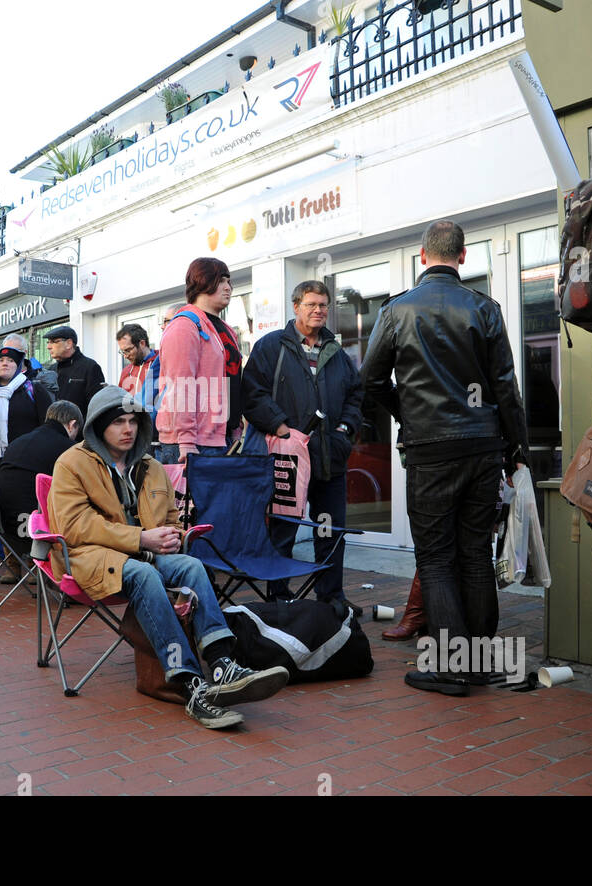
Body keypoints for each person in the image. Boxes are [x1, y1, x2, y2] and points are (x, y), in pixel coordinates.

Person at [49, 386, 289, 728]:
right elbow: (74, 526)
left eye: (134, 421)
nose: (128, 429)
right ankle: (190, 683)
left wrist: (172, 536)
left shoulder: (151, 466)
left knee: (190, 565)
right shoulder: (71, 464)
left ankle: (221, 664)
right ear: (98, 426)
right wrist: (141, 537)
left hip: (146, 552)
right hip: (91, 557)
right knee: (144, 576)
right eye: (118, 422)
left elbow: (171, 518)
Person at [361, 220, 529, 697]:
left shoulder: (396, 311)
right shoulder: (485, 308)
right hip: (482, 446)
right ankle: (477, 660)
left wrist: (409, 414)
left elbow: (371, 383)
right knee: (474, 552)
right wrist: (517, 451)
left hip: (429, 449)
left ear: (422, 256)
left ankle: (451, 667)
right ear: (463, 256)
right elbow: (506, 389)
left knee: (436, 557)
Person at [242, 280, 364, 613]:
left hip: (329, 458)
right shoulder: (271, 346)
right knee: (283, 532)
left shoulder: (337, 351)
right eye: (311, 304)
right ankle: (278, 597)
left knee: (329, 529)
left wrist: (344, 429)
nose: (318, 311)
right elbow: (251, 393)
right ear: (296, 307)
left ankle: (331, 596)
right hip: (288, 460)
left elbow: (356, 394)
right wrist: (280, 427)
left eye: (323, 305)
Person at [156, 257, 243, 463]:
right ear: (203, 281)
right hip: (193, 443)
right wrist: (186, 440)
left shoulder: (225, 329)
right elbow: (180, 384)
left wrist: (235, 429)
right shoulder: (185, 325)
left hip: (222, 439)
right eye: (221, 280)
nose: (228, 287)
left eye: (229, 281)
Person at [0, 400, 81, 564]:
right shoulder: (70, 449)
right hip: (37, 530)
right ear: (72, 425)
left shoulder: (18, 442)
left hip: (2, 527)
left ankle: (14, 566)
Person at [0, 345, 52, 475]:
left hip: (28, 462)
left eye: (10, 360)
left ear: (18, 366)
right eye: (1, 360)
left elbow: (48, 426)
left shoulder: (34, 389)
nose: (5, 364)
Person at [45, 325, 105, 419]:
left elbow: (97, 406)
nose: (48, 347)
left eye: (53, 342)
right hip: (54, 430)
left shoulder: (90, 367)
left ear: (69, 343)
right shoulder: (50, 370)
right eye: (48, 342)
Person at [116, 323, 162, 418]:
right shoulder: (126, 371)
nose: (125, 356)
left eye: (128, 350)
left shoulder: (161, 364)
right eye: (122, 352)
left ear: (142, 344)